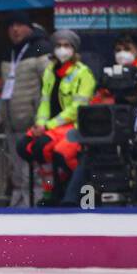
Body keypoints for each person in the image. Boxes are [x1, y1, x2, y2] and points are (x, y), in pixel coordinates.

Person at [61, 66, 137, 207]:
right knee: (86, 160)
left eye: (131, 90)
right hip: (112, 159)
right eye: (124, 92)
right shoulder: (111, 104)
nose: (129, 96)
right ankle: (71, 203)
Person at [18, 28, 95, 204]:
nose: (62, 49)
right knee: (25, 147)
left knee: (46, 149)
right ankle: (49, 190)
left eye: (67, 45)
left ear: (74, 49)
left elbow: (77, 109)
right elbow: (44, 102)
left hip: (72, 126)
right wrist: (40, 124)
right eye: (59, 45)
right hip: (50, 127)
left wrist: (47, 126)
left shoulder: (84, 73)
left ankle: (61, 191)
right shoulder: (50, 71)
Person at [0, 12, 52, 206]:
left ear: (30, 27)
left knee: (37, 170)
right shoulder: (8, 52)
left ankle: (38, 203)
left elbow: (49, 89)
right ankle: (20, 201)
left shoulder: (42, 49)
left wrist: (42, 120)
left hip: (33, 122)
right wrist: (1, 114)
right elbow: (5, 87)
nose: (15, 29)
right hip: (12, 122)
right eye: (11, 25)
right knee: (17, 168)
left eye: (19, 24)